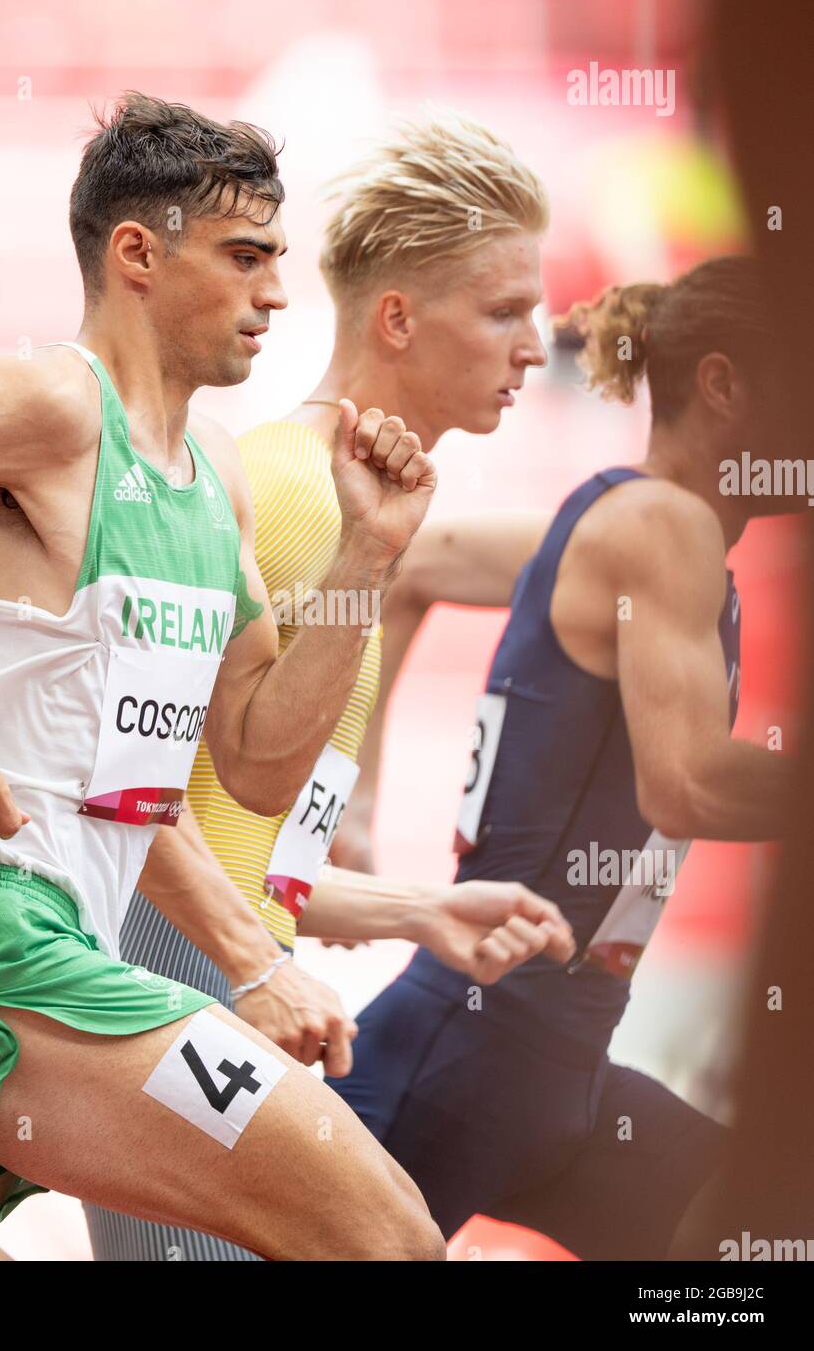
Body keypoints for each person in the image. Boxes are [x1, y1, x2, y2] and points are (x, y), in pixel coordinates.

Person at [0, 93, 448, 1262]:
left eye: (279, 260)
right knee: (388, 1239)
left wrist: (369, 552)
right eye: (245, 258)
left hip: (39, 949)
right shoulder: (43, 407)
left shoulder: (212, 477)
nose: (277, 294)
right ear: (137, 253)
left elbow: (258, 767)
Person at [85, 109, 575, 1261]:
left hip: (220, 969)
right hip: (168, 977)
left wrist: (415, 912)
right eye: (506, 310)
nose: (533, 345)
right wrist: (237, 974)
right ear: (398, 317)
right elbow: (135, 806)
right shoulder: (285, 494)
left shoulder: (346, 508)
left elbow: (245, 840)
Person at [328, 256, 799, 1259]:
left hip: (552, 1066)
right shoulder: (659, 526)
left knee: (762, 1238)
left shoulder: (620, 530)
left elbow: (413, 561)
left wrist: (356, 792)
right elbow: (688, 778)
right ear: (722, 385)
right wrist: (343, 789)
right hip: (473, 1053)